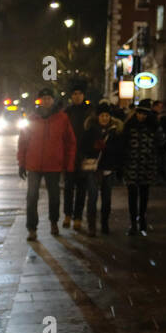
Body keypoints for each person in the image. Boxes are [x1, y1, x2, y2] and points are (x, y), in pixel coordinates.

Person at [17, 88, 77, 242]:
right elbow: (23, 142)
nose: (46, 101)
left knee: (55, 197)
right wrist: (22, 163)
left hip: (54, 165)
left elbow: (70, 142)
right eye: (43, 98)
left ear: (53, 100)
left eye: (49, 98)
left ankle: (54, 222)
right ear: (39, 100)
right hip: (34, 165)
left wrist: (68, 164)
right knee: (31, 197)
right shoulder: (31, 118)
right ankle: (32, 229)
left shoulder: (62, 119)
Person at [121, 99, 164, 236]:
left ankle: (143, 218)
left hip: (147, 165)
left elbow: (162, 142)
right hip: (131, 165)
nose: (141, 116)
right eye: (139, 113)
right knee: (132, 195)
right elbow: (123, 145)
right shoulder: (129, 126)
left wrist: (158, 127)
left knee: (144, 194)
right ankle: (133, 222)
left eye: (144, 114)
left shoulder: (153, 127)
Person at [78, 103, 122, 236]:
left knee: (107, 198)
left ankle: (104, 223)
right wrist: (94, 148)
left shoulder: (115, 131)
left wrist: (106, 149)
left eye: (107, 116)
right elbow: (82, 148)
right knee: (92, 197)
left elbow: (119, 150)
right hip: (94, 168)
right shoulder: (90, 131)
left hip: (108, 168)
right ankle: (92, 225)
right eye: (102, 115)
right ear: (97, 117)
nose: (104, 118)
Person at [61, 84, 92, 230]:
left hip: (84, 155)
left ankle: (78, 217)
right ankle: (67, 214)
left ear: (83, 95)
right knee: (68, 187)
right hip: (69, 156)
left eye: (79, 93)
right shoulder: (66, 113)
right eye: (74, 94)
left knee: (81, 188)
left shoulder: (89, 112)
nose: (77, 96)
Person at [152, 100, 166, 182]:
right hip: (157, 143)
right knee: (158, 160)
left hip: (162, 142)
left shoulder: (161, 116)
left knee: (162, 160)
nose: (161, 109)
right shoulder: (153, 116)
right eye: (159, 107)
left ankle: (161, 175)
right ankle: (159, 176)